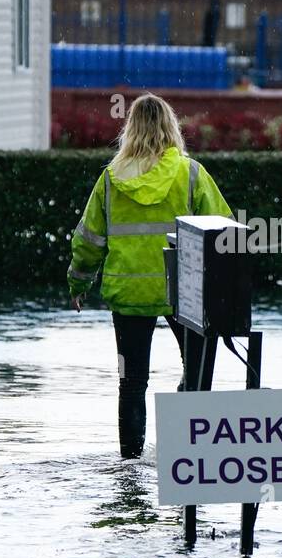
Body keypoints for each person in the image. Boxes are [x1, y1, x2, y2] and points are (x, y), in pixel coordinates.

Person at [68, 93, 231, 459]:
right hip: (184, 293)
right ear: (170, 127)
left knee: (131, 382)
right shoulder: (190, 174)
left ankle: (130, 467)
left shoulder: (110, 180)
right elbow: (224, 233)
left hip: (128, 294)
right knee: (198, 372)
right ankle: (185, 453)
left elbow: (88, 239)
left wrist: (78, 284)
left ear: (130, 130)